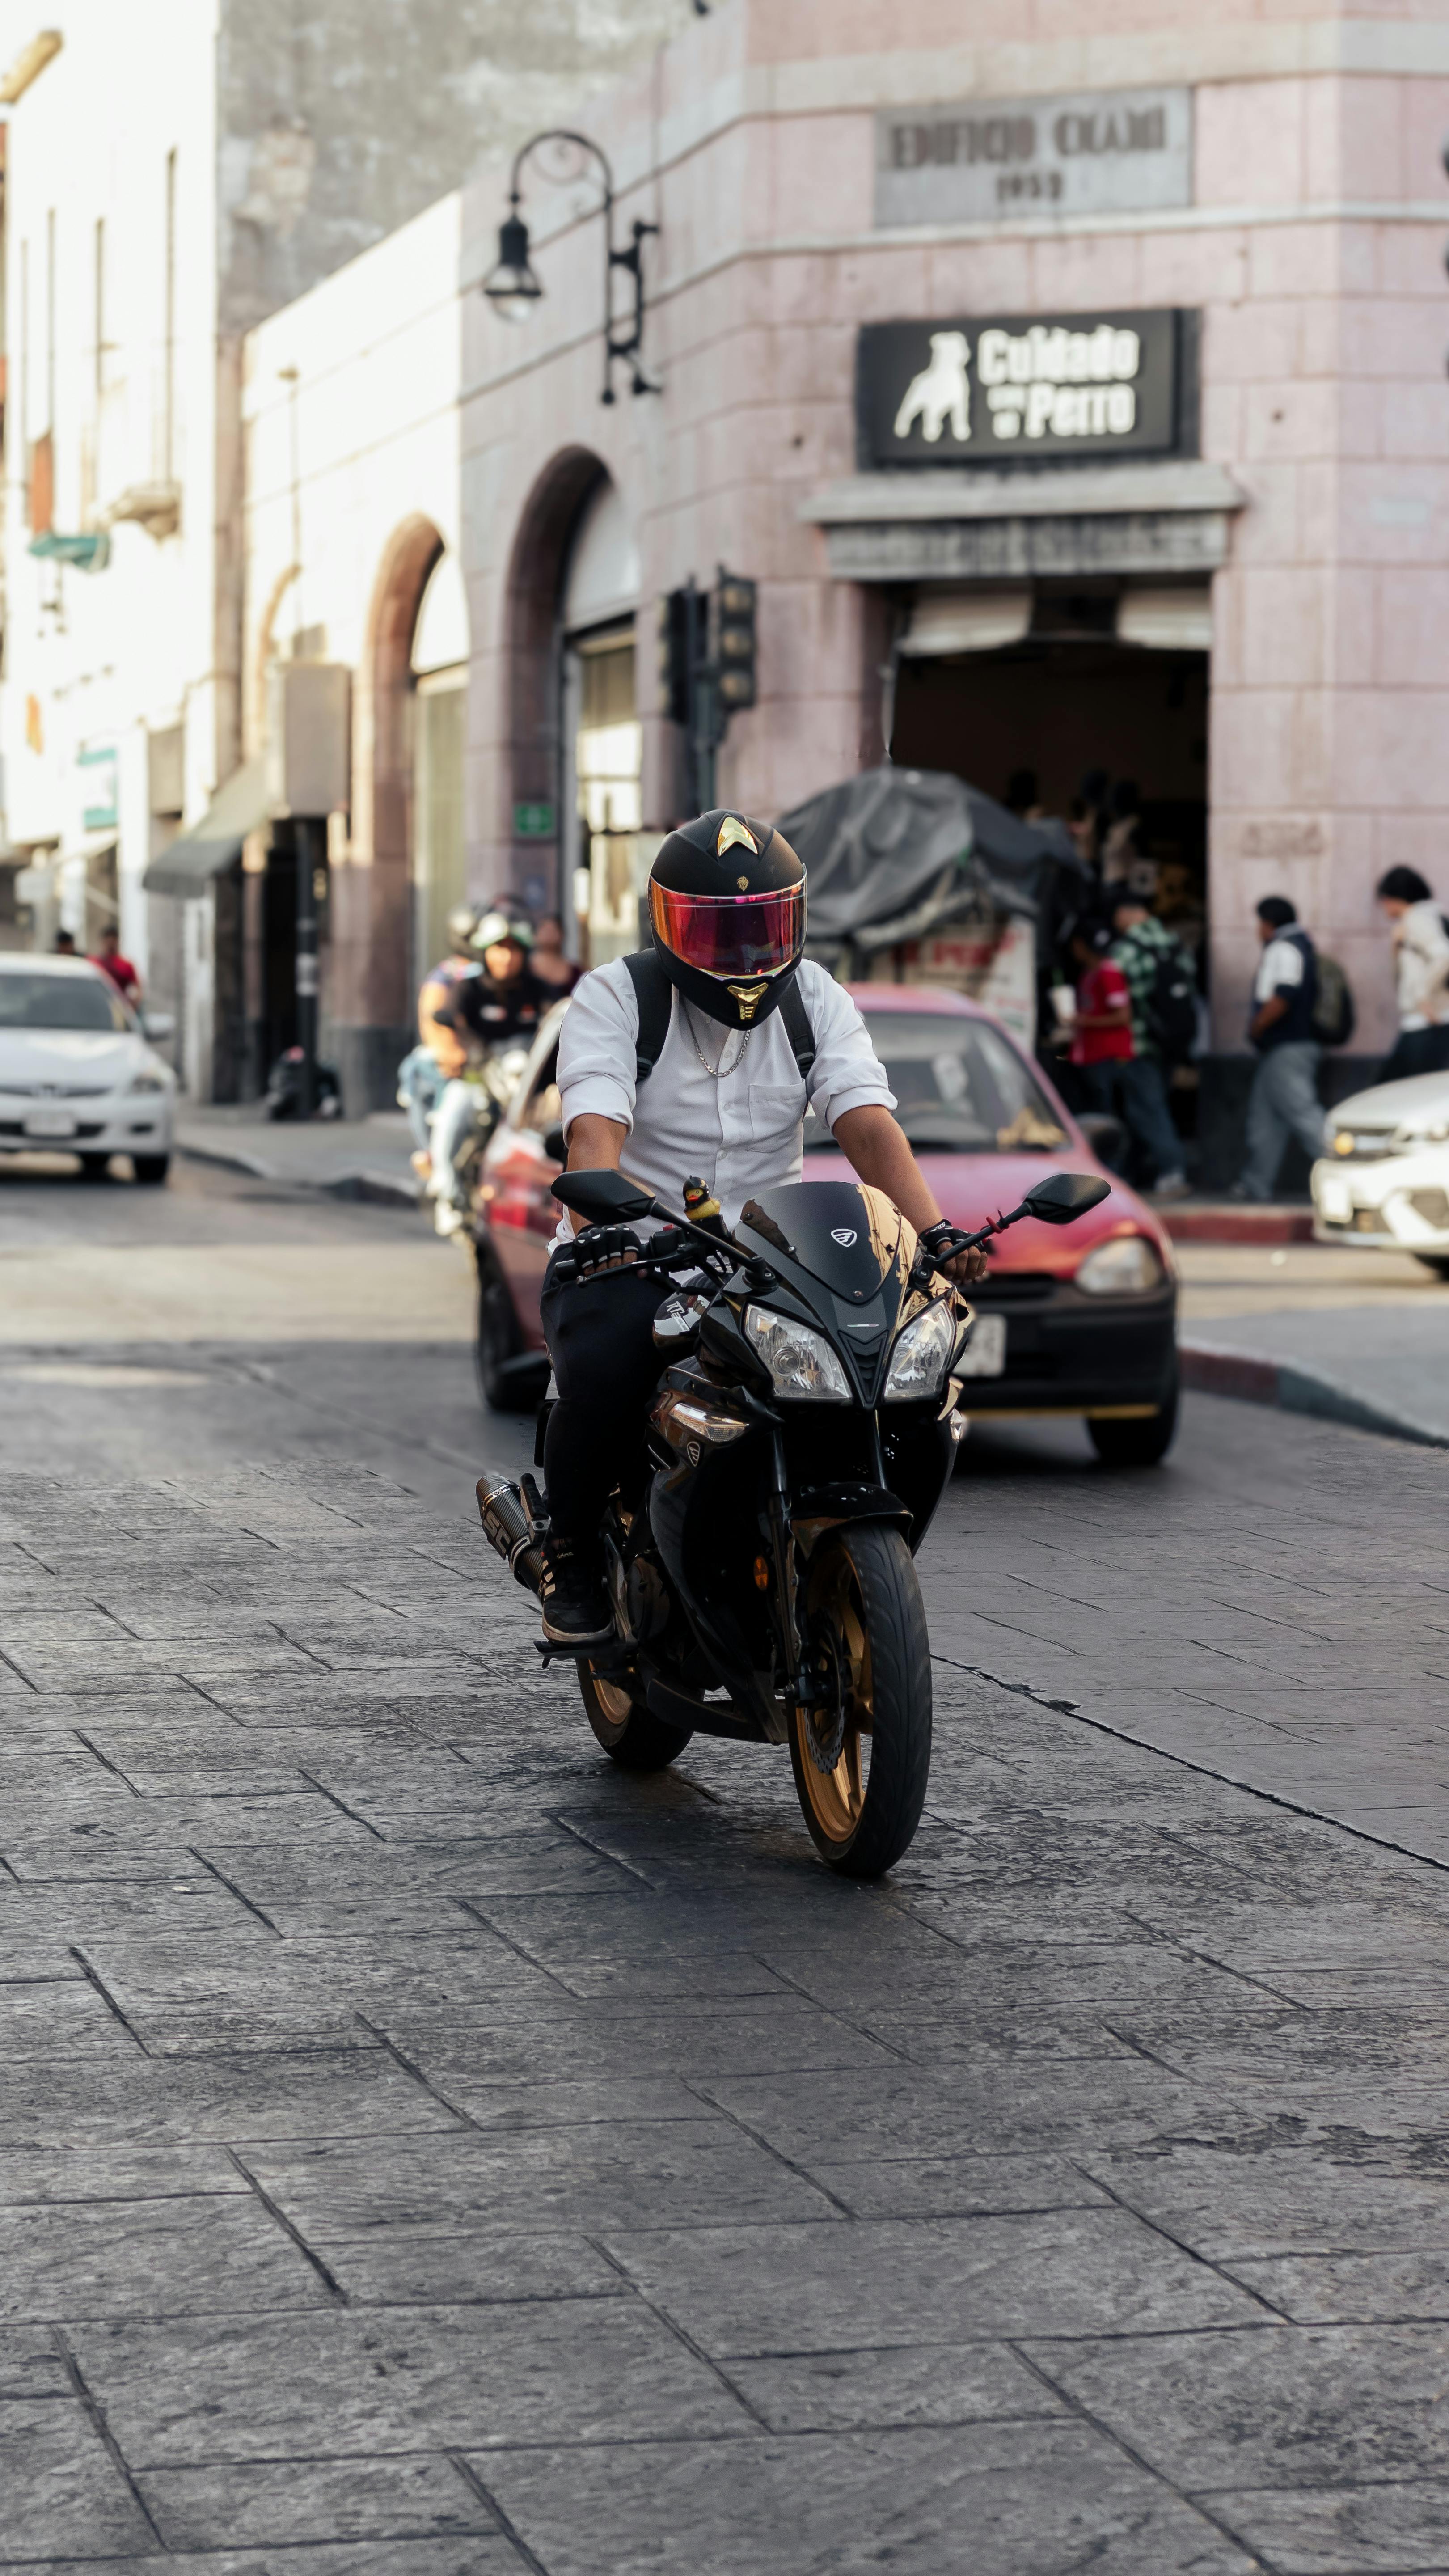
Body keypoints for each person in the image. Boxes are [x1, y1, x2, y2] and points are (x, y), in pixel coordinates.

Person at [535, 806, 988, 1645]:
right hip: (632, 1251)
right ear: (669, 927)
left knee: (898, 1376)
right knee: (604, 1365)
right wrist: (600, 1213)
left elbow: (866, 1127)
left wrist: (936, 1234)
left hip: (768, 1255)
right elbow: (595, 1130)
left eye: (765, 928)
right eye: (718, 935)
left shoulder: (813, 998)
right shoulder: (616, 997)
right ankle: (568, 1548)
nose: (744, 957)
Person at [429, 910, 549, 1236]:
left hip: (525, 1089)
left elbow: (560, 1017)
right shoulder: (468, 988)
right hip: (478, 1080)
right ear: (485, 952)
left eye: (514, 949)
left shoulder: (537, 990)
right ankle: (448, 1197)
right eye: (498, 948)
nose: (506, 957)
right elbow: (442, 1020)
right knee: (452, 1116)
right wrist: (451, 1050)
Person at [1233, 896, 1327, 1201]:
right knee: (1264, 1121)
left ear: (1268, 923)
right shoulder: (1296, 945)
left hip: (1289, 1047)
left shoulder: (1284, 948)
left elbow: (1282, 996)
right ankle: (1255, 1184)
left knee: (1305, 1116)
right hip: (1280, 1050)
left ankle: (1349, 1173)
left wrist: (1257, 1025)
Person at [1108, 898, 1191, 1199]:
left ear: (1129, 912)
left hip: (1138, 1042)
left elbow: (1115, 992)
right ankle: (1134, 1171)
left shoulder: (1126, 949)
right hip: (1169, 1040)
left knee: (1147, 1109)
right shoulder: (1173, 944)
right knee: (1147, 1106)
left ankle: (1172, 1171)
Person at [396, 906, 479, 1174]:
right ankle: (433, 1158)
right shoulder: (447, 976)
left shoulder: (493, 975)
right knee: (416, 1070)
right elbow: (432, 1021)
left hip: (494, 1058)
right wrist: (452, 1054)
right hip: (463, 1061)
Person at [1374, 866, 1449, 1081]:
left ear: (1395, 897)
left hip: (1425, 1022)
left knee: (1387, 1092)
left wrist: (1421, 995)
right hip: (1430, 1023)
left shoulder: (1417, 919)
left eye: (1384, 899)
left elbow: (1443, 955)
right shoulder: (1428, 917)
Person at [1065, 918, 1134, 1142]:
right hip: (1090, 1056)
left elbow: (1123, 1016)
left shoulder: (1109, 973)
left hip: (1106, 1058)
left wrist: (1082, 1022)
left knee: (1104, 1120)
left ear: (1081, 945)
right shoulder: (1089, 973)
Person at [90, 922, 141, 1007]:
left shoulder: (126, 965)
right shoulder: (93, 963)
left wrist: (131, 1007)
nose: (110, 945)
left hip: (118, 1009)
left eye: (113, 941)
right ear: (103, 941)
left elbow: (138, 990)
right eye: (108, 942)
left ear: (118, 941)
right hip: (96, 1007)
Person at [531, 912, 580, 994]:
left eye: (553, 930)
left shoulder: (575, 971)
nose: (549, 934)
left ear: (562, 935)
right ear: (535, 935)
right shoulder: (524, 968)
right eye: (545, 930)